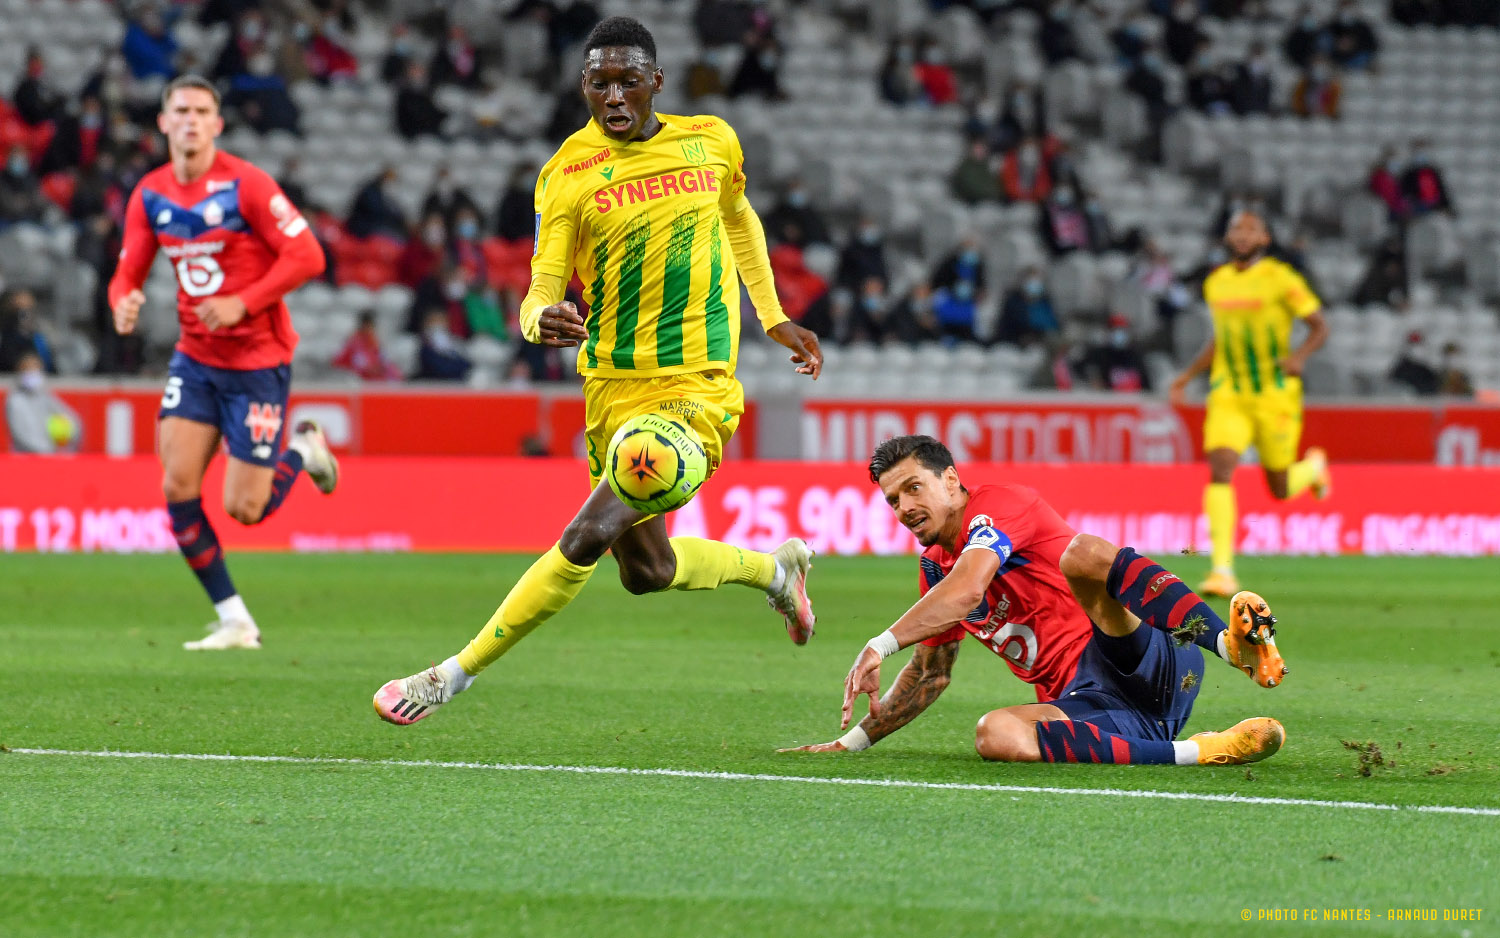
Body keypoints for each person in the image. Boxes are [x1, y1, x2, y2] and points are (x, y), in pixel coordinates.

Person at [373, 17, 825, 725]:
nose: (613, 96)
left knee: (583, 536)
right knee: (649, 572)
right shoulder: (566, 174)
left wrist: (771, 315)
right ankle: (775, 572)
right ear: (583, 87)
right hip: (611, 390)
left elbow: (739, 216)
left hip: (692, 394)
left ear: (656, 84)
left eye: (627, 81)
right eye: (598, 83)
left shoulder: (711, 140)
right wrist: (536, 321)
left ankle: (450, 676)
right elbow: (540, 284)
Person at [781, 435, 1287, 766]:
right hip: (1097, 708)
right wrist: (851, 742)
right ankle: (1201, 751)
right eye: (893, 500)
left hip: (1139, 652)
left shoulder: (999, 507)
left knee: (1081, 554)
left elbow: (968, 590)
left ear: (951, 480)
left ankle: (1228, 644)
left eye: (914, 488)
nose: (905, 507)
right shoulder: (935, 565)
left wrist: (879, 643)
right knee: (995, 734)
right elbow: (931, 673)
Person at [107, 75, 338, 651]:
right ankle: (235, 619)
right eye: (179, 109)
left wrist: (244, 300)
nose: (189, 119)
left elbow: (308, 254)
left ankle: (303, 450)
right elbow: (126, 274)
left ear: (217, 124)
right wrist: (122, 302)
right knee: (177, 484)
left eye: (201, 110)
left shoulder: (247, 185)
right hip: (196, 359)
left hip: (258, 360)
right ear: (162, 122)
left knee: (245, 509)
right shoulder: (150, 194)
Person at [1169, 209, 1331, 598]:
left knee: (1278, 486)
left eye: (1251, 229)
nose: (1242, 234)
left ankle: (1312, 468)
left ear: (1264, 239)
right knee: (1221, 467)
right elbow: (1221, 339)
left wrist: (1299, 358)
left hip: (1274, 394)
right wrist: (1188, 376)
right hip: (1229, 393)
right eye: (1236, 228)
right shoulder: (1217, 282)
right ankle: (1222, 569)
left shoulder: (1281, 279)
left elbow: (1319, 326)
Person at [6, 351, 80, 453]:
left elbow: (72, 420)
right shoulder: (14, 400)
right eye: (28, 369)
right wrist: (47, 451)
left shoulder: (46, 397)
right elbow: (21, 434)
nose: (33, 373)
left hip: (48, 458)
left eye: (36, 369)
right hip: (24, 458)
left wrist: (66, 443)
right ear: (20, 372)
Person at [333, 310, 403, 381]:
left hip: (378, 381)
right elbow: (344, 362)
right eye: (367, 325)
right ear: (363, 325)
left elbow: (386, 363)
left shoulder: (376, 342)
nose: (370, 329)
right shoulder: (354, 342)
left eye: (371, 326)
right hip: (359, 381)